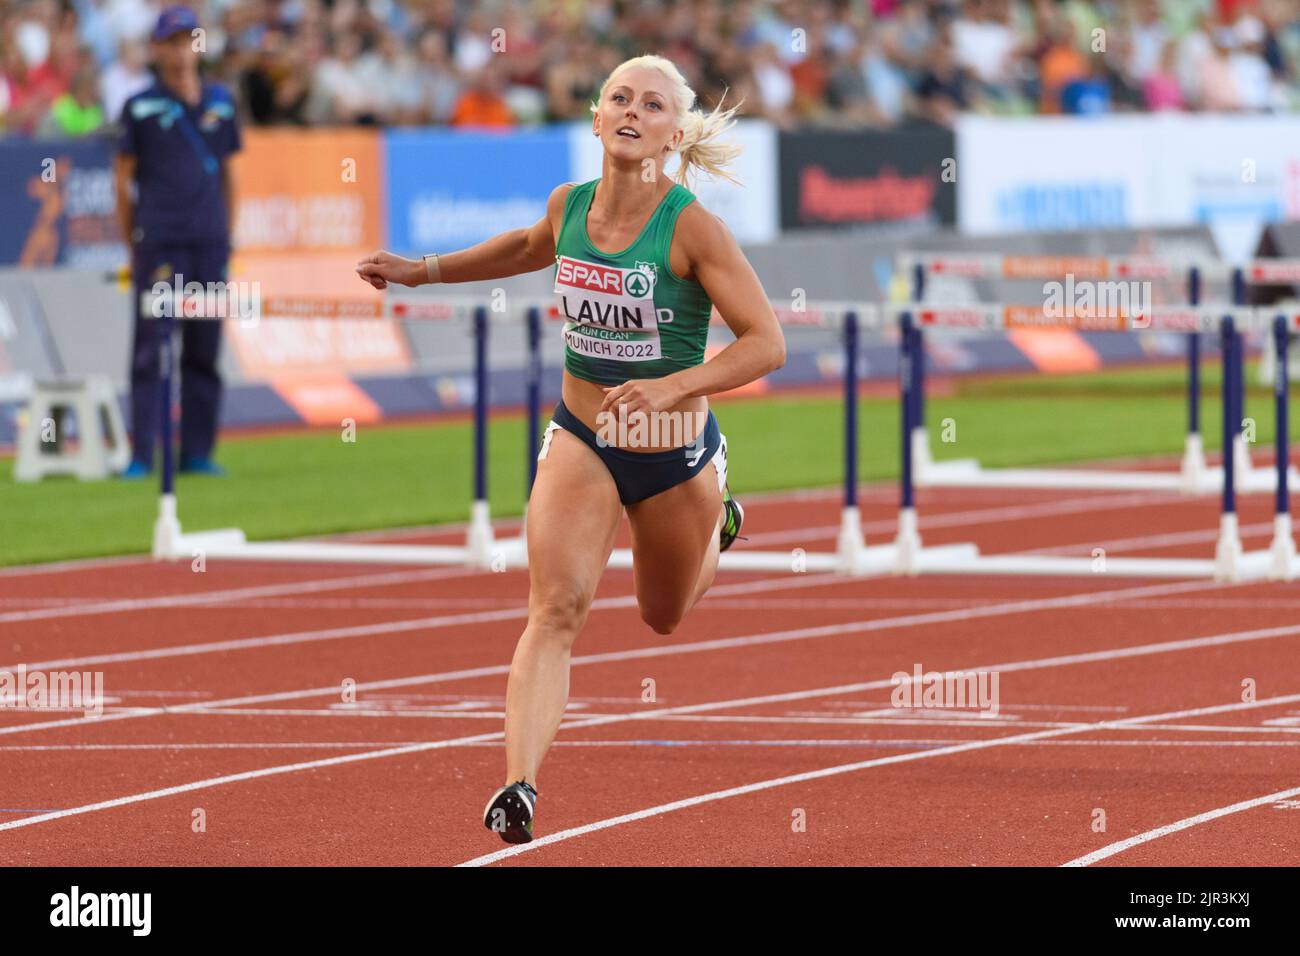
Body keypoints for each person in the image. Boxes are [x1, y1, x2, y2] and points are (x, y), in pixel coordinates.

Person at [356, 55, 786, 844]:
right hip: (583, 434)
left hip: (668, 445)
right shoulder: (570, 204)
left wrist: (675, 386)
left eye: (652, 104)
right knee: (556, 608)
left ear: (671, 131)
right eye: (619, 97)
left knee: (663, 616)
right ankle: (518, 785)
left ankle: (719, 521)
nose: (632, 110)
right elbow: (527, 246)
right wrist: (421, 271)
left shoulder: (692, 226)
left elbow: (767, 344)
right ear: (594, 117)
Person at [114, 6, 240, 478]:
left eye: (189, 40)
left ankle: (198, 452)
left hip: (209, 243)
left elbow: (231, 174)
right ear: (157, 49)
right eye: (171, 41)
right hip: (160, 242)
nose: (181, 50)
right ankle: (143, 454)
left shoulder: (222, 102)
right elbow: (121, 181)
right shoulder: (140, 106)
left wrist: (227, 234)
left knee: (204, 349)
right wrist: (135, 239)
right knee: (151, 348)